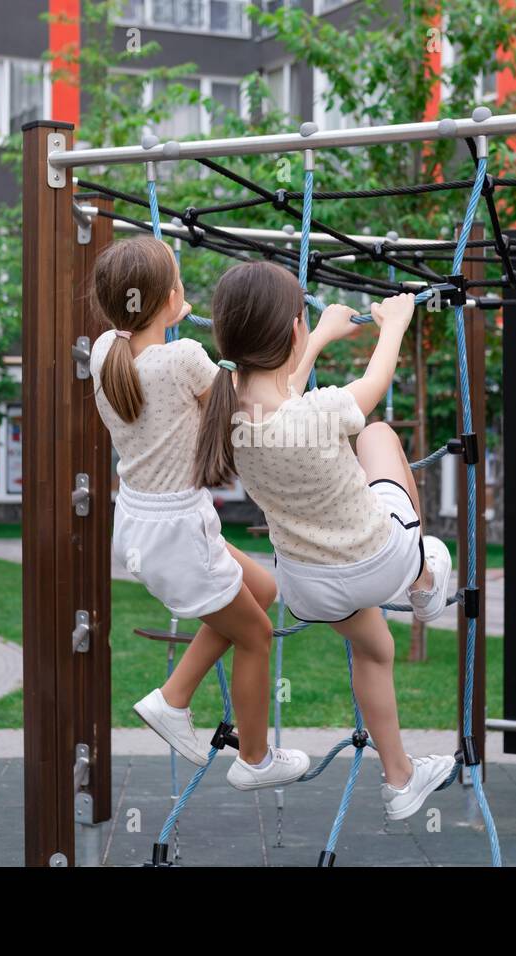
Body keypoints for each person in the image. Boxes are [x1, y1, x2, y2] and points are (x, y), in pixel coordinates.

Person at [193, 261, 456, 821]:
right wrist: (395, 325)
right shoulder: (320, 410)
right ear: (291, 330)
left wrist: (319, 336)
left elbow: (277, 388)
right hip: (377, 560)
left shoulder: (227, 412)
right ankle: (425, 577)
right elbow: (375, 385)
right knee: (381, 434)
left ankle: (400, 778)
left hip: (309, 587)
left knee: (376, 649)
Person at [89, 237, 309, 791]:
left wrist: (167, 315)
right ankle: (255, 760)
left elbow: (156, 369)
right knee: (257, 635)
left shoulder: (103, 353)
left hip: (141, 522)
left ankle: (172, 698)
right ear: (168, 296)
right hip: (178, 530)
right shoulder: (182, 358)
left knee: (260, 588)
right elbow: (241, 405)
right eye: (179, 285)